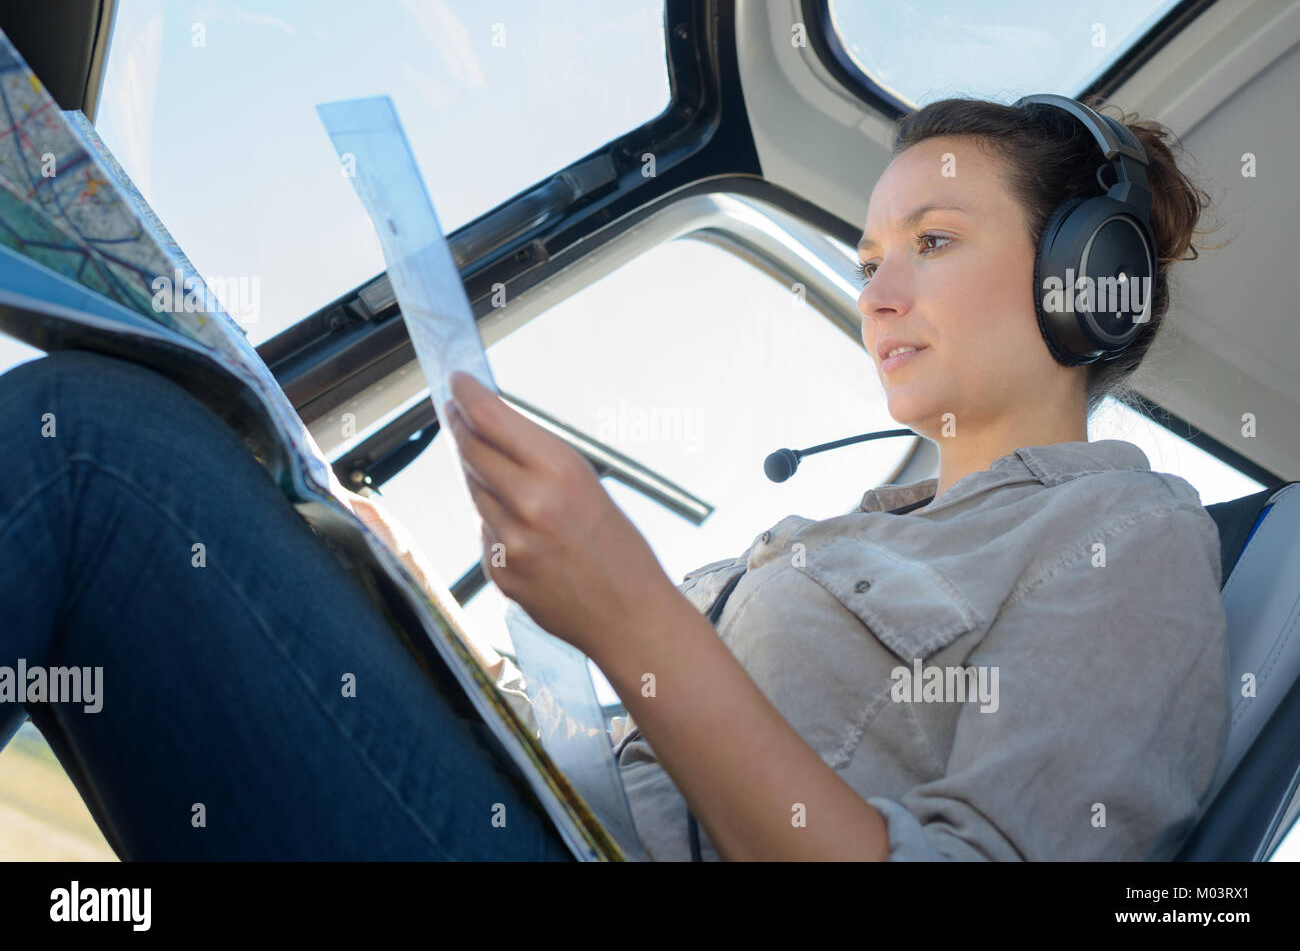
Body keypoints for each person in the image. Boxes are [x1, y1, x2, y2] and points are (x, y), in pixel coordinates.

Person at [0, 91, 1227, 861]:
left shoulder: (1132, 541)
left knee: (102, 450)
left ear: (1087, 278)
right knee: (157, 445)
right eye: (865, 260)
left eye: (936, 244)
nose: (879, 292)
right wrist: (404, 603)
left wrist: (632, 614)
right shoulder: (833, 531)